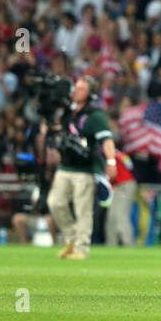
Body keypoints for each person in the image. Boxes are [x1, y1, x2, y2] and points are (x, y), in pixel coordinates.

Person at [46, 76, 115, 260]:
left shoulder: (95, 115)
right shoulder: (67, 111)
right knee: (55, 202)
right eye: (76, 87)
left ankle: (81, 248)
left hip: (85, 169)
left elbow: (106, 139)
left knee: (82, 209)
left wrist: (111, 161)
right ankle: (71, 238)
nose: (76, 91)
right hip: (66, 165)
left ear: (90, 93)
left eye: (82, 89)